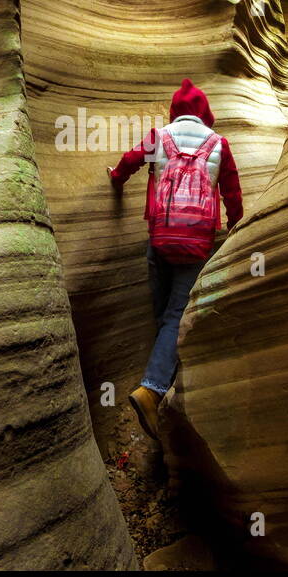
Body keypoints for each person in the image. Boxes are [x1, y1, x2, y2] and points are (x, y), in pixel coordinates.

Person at [106, 79, 243, 439]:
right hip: (196, 243)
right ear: (204, 114)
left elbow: (130, 162)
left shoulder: (159, 136)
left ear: (175, 112)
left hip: (160, 237)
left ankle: (159, 369)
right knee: (176, 314)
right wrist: (236, 225)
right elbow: (231, 190)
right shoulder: (218, 144)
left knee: (162, 307)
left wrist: (117, 180)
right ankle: (152, 387)